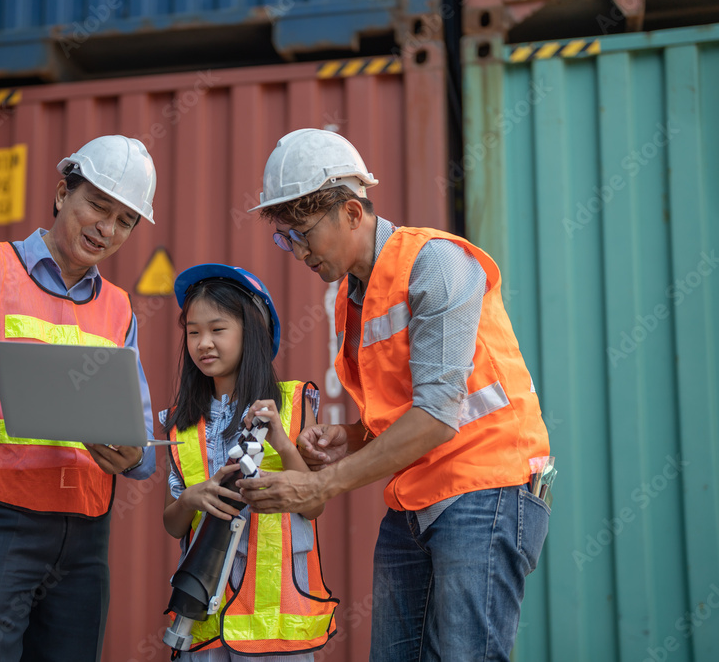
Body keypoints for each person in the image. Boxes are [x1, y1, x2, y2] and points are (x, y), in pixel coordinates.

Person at [237, 128, 551, 662]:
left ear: (353, 213)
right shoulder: (350, 300)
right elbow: (403, 412)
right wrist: (351, 437)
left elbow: (436, 417)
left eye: (303, 233)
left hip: (484, 491)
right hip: (414, 498)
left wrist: (324, 486)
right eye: (285, 237)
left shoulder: (439, 265)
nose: (296, 251)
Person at [0, 135, 158, 662]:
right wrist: (26, 374)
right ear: (60, 194)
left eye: (125, 221)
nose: (106, 229)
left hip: (84, 530)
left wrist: (134, 453)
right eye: (97, 205)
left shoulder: (119, 309)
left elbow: (144, 449)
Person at [161, 264, 338, 660]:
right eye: (193, 332)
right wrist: (191, 498)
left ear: (251, 332)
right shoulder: (181, 423)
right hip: (203, 622)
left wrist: (283, 444)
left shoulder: (293, 406)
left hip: (276, 627)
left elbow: (315, 504)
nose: (203, 342)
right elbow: (173, 524)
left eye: (217, 329)